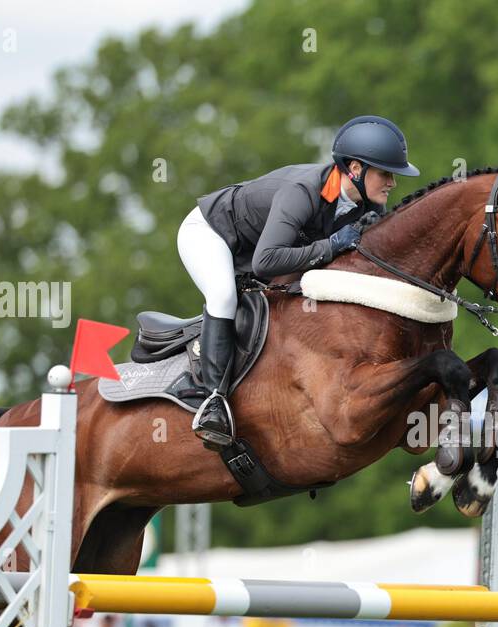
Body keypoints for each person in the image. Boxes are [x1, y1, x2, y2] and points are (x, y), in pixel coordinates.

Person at [177, 115, 420, 446]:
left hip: (257, 255)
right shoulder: (303, 191)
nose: (392, 183)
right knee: (222, 296)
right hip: (212, 234)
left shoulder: (367, 209)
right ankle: (213, 402)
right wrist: (331, 245)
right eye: (385, 173)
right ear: (356, 170)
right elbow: (266, 262)